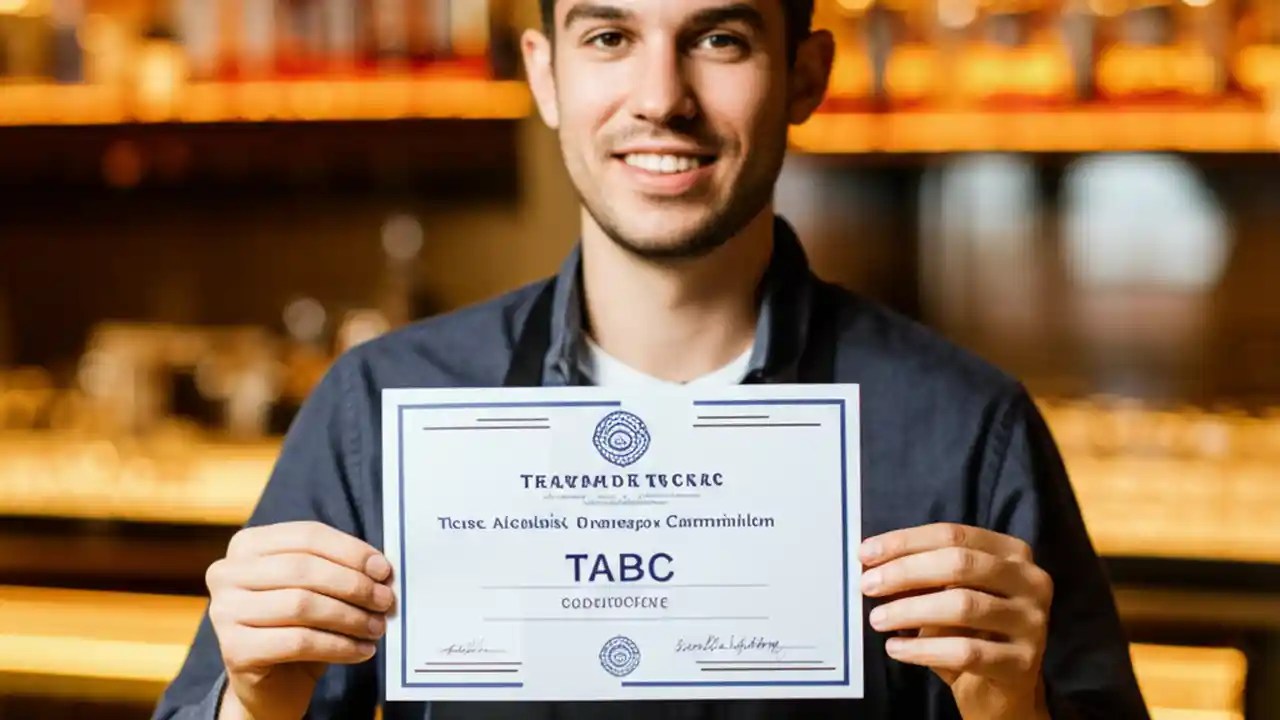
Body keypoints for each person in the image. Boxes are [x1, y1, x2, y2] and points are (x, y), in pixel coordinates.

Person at [153, 1, 1150, 718]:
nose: (661, 97)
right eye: (609, 37)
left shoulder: (965, 430)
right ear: (545, 74)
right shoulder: (379, 409)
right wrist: (254, 702)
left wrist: (1014, 710)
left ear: (805, 75)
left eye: (719, 39)